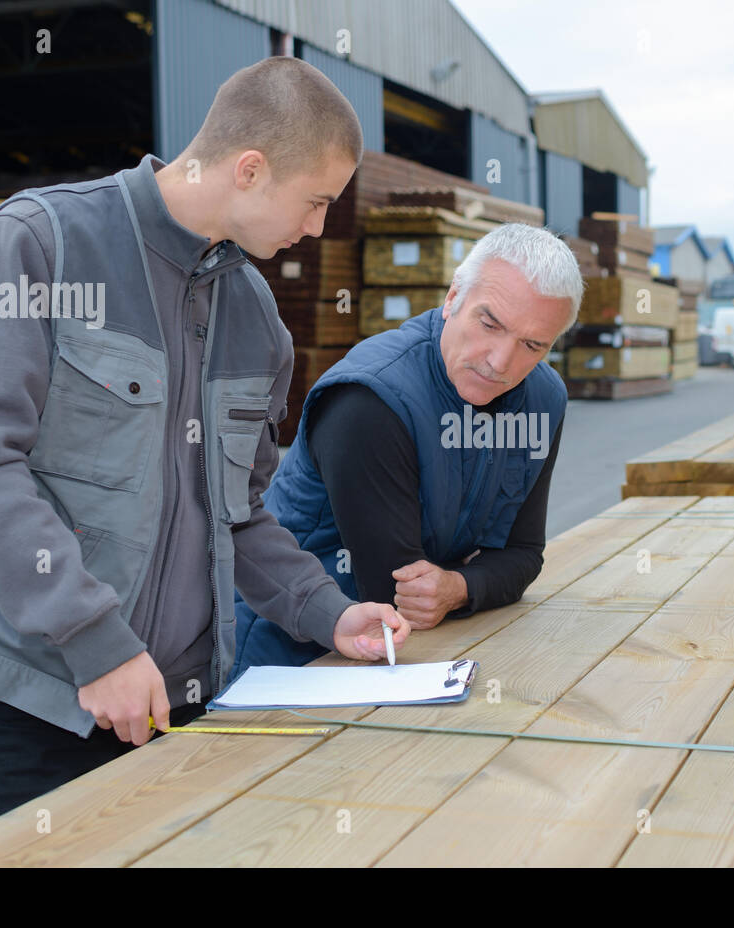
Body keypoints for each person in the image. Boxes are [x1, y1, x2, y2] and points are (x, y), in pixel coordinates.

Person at [0, 57, 409, 827]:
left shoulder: (259, 322)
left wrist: (329, 610)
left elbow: (240, 514)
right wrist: (96, 642)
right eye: (317, 201)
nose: (319, 227)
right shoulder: (41, 244)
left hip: (178, 693)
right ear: (251, 169)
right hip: (42, 688)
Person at [231, 223, 581, 674]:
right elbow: (397, 591)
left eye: (533, 345)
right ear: (453, 298)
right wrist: (477, 579)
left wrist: (457, 585)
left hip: (415, 655)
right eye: (489, 323)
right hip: (292, 658)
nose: (500, 362)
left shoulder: (543, 398)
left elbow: (524, 556)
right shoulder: (370, 400)